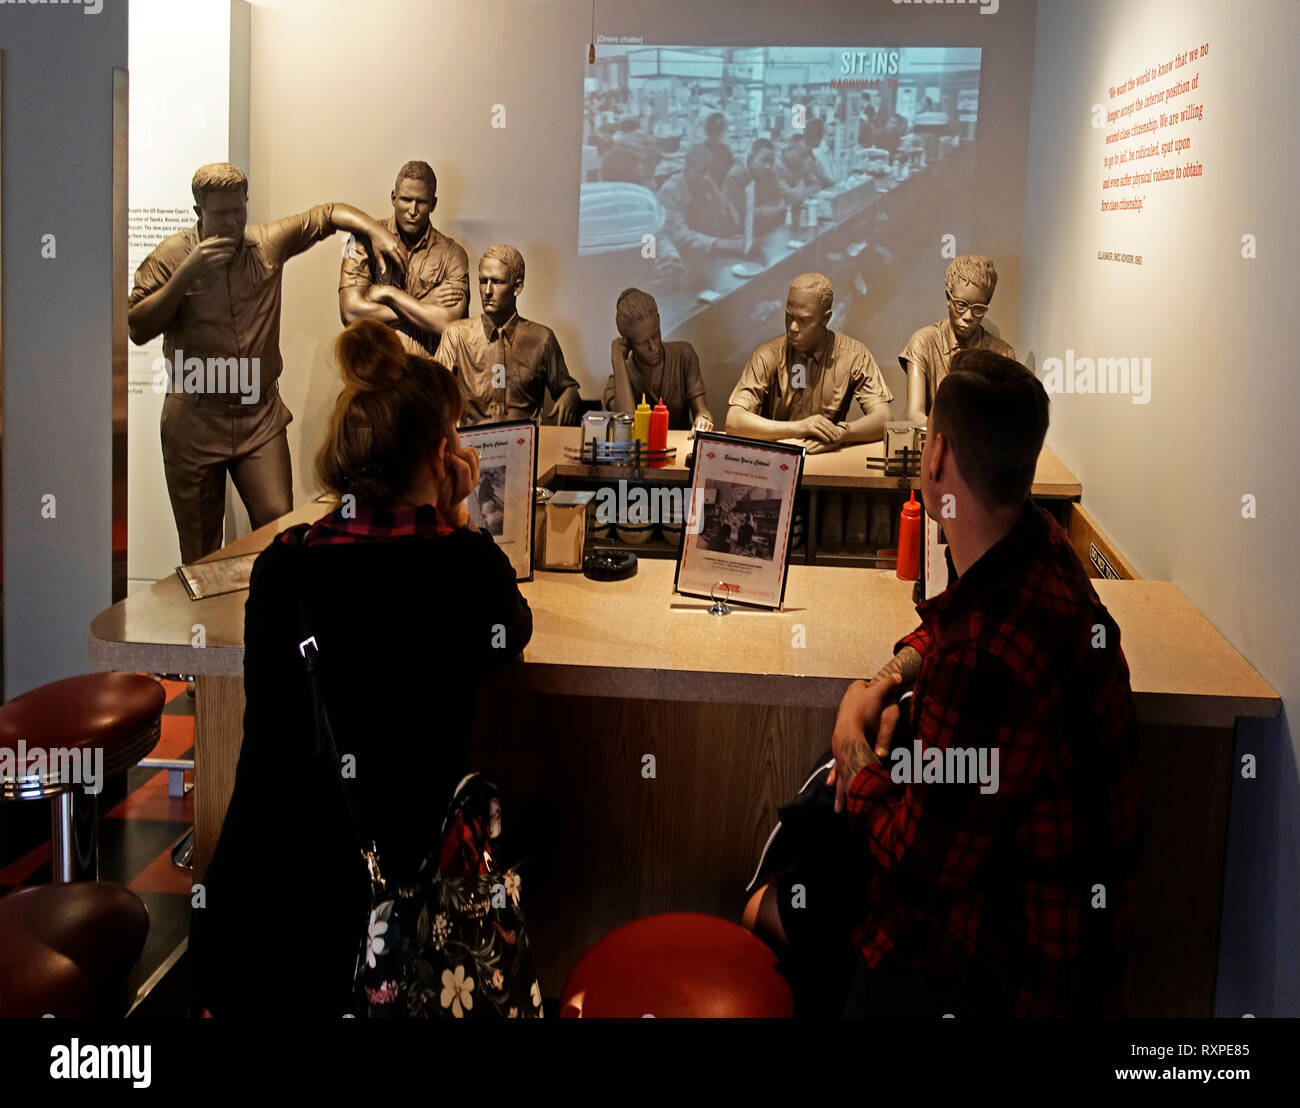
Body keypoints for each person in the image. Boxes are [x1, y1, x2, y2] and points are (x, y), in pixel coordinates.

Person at [743, 350, 1140, 1017]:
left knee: (767, 907)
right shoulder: (1039, 543)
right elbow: (954, 624)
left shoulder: (986, 660)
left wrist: (853, 744)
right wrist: (889, 679)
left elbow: (915, 860)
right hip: (1070, 943)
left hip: (1006, 975)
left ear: (936, 458)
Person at [189, 319, 533, 1017]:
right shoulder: (461, 568)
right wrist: (459, 516)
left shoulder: (282, 565)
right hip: (376, 919)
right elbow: (510, 632)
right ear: (441, 458)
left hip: (258, 904)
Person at [128, 162, 407, 563]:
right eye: (220, 213)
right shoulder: (173, 256)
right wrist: (187, 274)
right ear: (198, 212)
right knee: (200, 551)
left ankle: (270, 621)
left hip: (258, 416)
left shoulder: (266, 244)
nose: (231, 223)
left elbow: (326, 215)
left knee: (281, 530)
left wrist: (375, 231)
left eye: (238, 210)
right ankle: (202, 628)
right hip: (194, 420)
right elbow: (136, 327)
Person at [726, 273, 892, 454]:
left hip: (826, 458)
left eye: (803, 320)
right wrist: (800, 428)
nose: (792, 327)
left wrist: (841, 434)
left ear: (826, 318)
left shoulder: (854, 355)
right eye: (789, 316)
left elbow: (883, 418)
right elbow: (734, 421)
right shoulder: (768, 355)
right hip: (776, 461)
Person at [435, 244, 582, 426]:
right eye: (483, 281)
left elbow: (566, 386)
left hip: (523, 446)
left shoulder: (541, 339)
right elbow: (432, 391)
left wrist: (570, 394)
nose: (487, 291)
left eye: (497, 282)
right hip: (471, 447)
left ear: (517, 287)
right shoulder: (456, 335)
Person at [339, 160, 469, 356]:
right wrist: (425, 304)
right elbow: (351, 313)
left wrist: (388, 293)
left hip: (429, 375)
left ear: (433, 204)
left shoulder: (453, 254)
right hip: (373, 372)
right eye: (406, 199)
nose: (413, 210)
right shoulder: (361, 241)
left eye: (421, 202)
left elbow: (448, 324)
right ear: (393, 197)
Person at [900, 254, 1015, 425]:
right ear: (948, 298)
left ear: (988, 304)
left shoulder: (1003, 354)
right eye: (961, 305)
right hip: (938, 442)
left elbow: (1010, 418)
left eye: (978, 309)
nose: (968, 316)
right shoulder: (923, 342)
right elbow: (914, 415)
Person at [604, 288, 713, 431]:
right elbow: (627, 427)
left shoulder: (684, 355)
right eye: (643, 343)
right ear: (628, 342)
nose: (654, 347)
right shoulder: (618, 382)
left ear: (659, 321)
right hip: (643, 451)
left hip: (681, 446)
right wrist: (618, 359)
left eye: (656, 335)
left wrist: (703, 420)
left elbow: (702, 411)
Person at [656, 145, 746, 258]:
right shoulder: (669, 192)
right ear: (686, 170)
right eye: (701, 171)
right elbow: (681, 237)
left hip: (701, 254)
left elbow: (731, 223)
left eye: (709, 171)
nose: (707, 177)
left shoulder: (706, 186)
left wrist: (718, 195)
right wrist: (727, 244)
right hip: (677, 257)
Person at [722, 138, 791, 236]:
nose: (768, 166)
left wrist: (759, 209)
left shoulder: (768, 171)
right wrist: (775, 210)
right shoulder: (736, 177)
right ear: (751, 158)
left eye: (771, 162)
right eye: (764, 160)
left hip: (763, 230)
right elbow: (744, 214)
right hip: (739, 234)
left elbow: (781, 198)